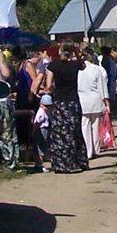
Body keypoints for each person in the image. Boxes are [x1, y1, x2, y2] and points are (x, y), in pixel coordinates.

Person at [45, 43, 88, 173]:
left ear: (60, 52)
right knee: (74, 131)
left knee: (60, 133)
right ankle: (78, 161)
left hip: (60, 103)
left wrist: (50, 90)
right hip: (73, 102)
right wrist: (76, 53)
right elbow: (83, 65)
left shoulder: (54, 66)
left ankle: (61, 163)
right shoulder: (75, 66)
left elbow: (49, 85)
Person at [78, 47, 110, 159]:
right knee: (95, 127)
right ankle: (96, 149)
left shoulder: (79, 69)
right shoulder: (97, 69)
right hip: (96, 100)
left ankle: (88, 151)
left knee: (85, 127)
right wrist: (106, 103)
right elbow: (102, 88)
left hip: (82, 100)